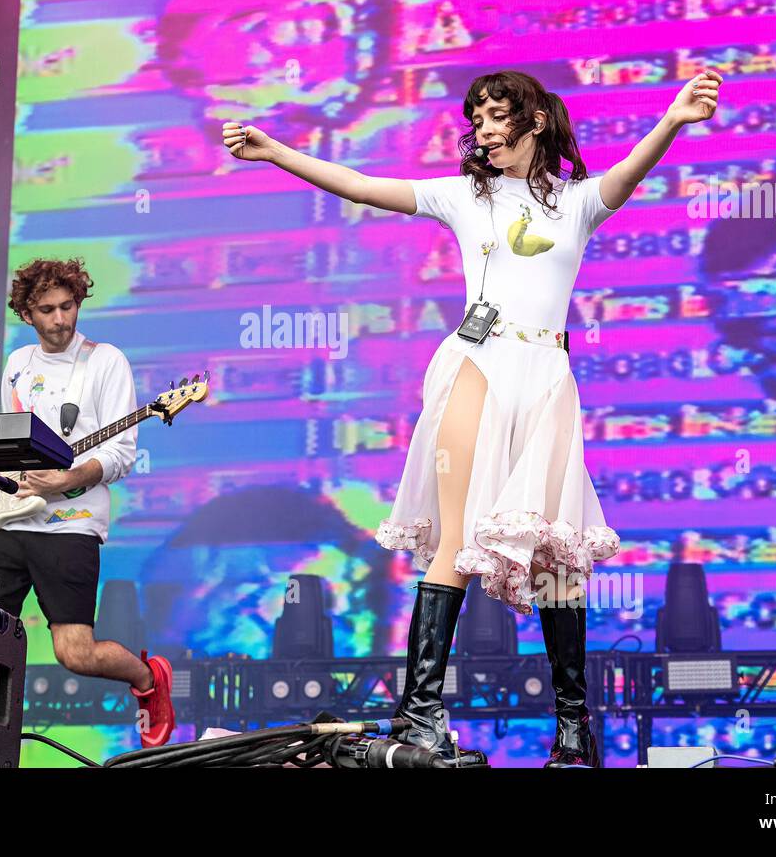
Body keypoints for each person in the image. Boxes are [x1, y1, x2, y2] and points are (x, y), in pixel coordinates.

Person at [221, 68, 722, 765]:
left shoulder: (576, 203)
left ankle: (574, 729)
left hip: (546, 376)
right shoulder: (463, 196)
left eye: (496, 116)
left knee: (555, 552)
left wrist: (671, 119)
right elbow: (364, 186)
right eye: (477, 118)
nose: (483, 130)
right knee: (456, 539)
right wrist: (278, 153)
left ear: (536, 122)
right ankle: (419, 712)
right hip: (476, 365)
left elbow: (628, 177)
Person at [0, 258, 175, 748]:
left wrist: (65, 480)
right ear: (26, 313)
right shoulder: (17, 364)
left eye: (68, 306)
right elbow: (9, 439)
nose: (60, 319)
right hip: (10, 521)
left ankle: (149, 679)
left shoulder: (106, 362)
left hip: (72, 524)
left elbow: (121, 454)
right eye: (47, 310)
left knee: (74, 653)